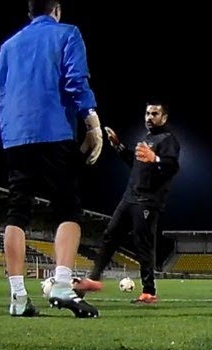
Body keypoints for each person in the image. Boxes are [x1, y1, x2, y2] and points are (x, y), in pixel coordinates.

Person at [0, 0, 103, 317]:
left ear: (30, 14)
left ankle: (18, 297)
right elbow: (75, 81)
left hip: (15, 137)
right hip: (54, 130)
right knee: (68, 210)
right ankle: (63, 286)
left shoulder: (8, 46)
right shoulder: (68, 33)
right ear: (57, 10)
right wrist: (93, 124)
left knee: (17, 212)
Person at [74, 103, 180, 304]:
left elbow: (172, 166)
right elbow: (135, 163)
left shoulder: (168, 140)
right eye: (147, 113)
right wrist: (118, 146)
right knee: (110, 235)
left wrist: (156, 158)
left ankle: (149, 291)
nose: (149, 117)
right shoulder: (146, 139)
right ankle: (94, 279)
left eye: (155, 114)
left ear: (164, 118)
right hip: (129, 197)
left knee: (143, 244)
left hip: (148, 201)